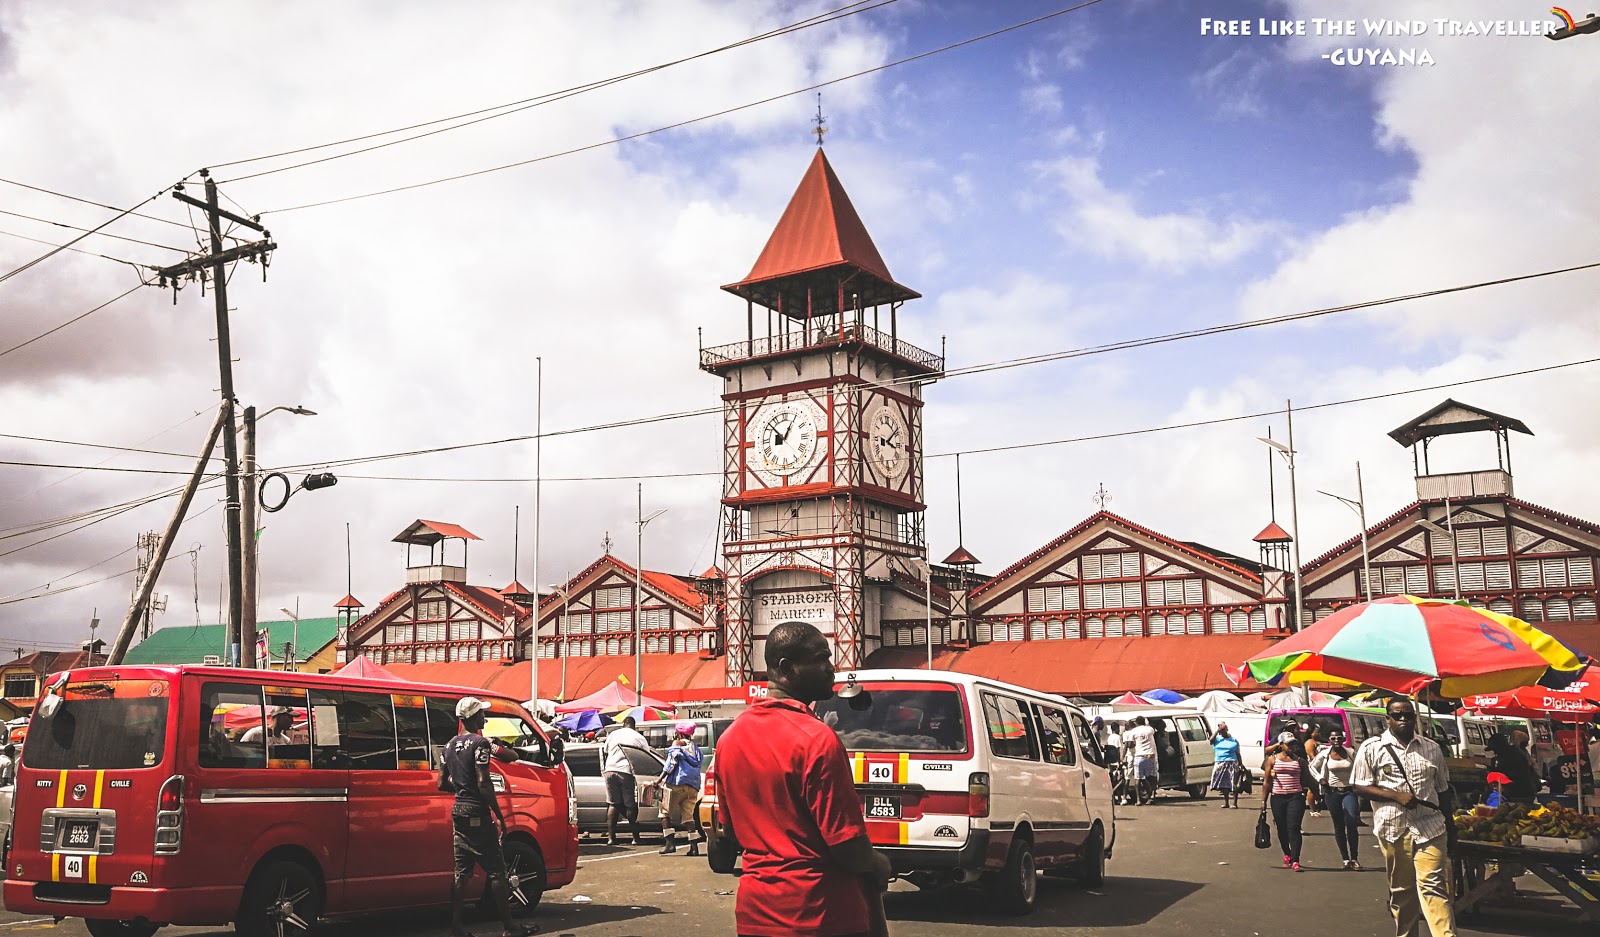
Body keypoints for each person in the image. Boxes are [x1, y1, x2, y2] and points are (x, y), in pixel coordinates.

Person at [716, 621, 892, 937]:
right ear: (787, 668)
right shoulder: (816, 739)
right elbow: (848, 847)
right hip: (820, 915)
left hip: (756, 915)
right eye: (821, 659)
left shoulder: (729, 739)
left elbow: (729, 831)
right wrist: (878, 863)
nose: (831, 668)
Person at [1351, 697, 1458, 937]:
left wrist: (1451, 827)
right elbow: (1359, 786)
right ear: (1387, 719)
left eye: (1408, 715)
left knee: (1434, 886)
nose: (1403, 719)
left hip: (1431, 826)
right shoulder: (1372, 748)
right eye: (1397, 715)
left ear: (1415, 718)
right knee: (1402, 890)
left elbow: (1443, 790)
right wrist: (1395, 796)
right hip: (1393, 828)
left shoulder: (1432, 748)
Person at [437, 697, 533, 937]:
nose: (485, 718)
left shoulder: (448, 746)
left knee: (461, 873)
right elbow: (483, 782)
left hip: (459, 812)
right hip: (477, 812)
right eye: (481, 713)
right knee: (497, 871)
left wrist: (462, 789)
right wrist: (499, 815)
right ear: (472, 717)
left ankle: (456, 927)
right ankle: (509, 927)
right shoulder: (480, 743)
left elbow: (441, 783)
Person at [1262, 730, 1311, 871]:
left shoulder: (1300, 761)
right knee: (1282, 828)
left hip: (1295, 797)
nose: (1292, 747)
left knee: (1294, 827)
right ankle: (1287, 854)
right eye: (1289, 744)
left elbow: (1307, 779)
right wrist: (1263, 801)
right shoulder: (1272, 760)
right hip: (1278, 797)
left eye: (1294, 744)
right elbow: (1267, 782)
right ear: (1281, 745)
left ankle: (1295, 860)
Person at [1314, 731, 1362, 870]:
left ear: (1343, 739)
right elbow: (1312, 766)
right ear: (1329, 740)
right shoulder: (1325, 754)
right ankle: (1345, 859)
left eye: (1339, 738)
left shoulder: (1350, 753)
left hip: (1349, 791)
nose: (1336, 740)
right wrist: (1320, 779)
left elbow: (1361, 766)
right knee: (1339, 824)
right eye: (1333, 738)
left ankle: (1354, 858)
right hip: (1332, 792)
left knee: (1351, 822)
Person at [656, 721, 705, 856]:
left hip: (676, 784)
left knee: (664, 813)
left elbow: (671, 764)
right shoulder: (696, 749)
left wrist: (658, 780)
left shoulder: (677, 744)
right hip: (693, 786)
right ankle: (694, 847)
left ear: (680, 733)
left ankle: (670, 844)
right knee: (688, 817)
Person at [602, 715, 650, 846]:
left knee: (613, 804)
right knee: (630, 805)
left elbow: (606, 751)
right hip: (626, 771)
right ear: (634, 726)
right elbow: (645, 756)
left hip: (609, 770)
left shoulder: (613, 734)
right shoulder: (639, 737)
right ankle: (635, 838)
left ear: (623, 724)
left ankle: (611, 838)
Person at [1484, 734, 1538, 800]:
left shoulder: (1512, 756)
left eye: (1495, 750)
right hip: (1518, 792)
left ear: (1499, 747)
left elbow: (1513, 775)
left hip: (1520, 794)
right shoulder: (1508, 755)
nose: (1495, 753)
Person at [1123, 716, 1159, 804]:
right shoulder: (1150, 729)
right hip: (1150, 756)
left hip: (1139, 756)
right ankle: (1151, 797)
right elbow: (1152, 729)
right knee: (1151, 777)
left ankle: (1138, 800)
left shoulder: (1133, 731)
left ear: (1136, 723)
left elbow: (1129, 744)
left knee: (1138, 779)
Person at [1209, 723, 1244, 808]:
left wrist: (1240, 764)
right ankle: (1226, 802)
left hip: (1231, 763)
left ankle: (1234, 803)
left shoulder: (1233, 740)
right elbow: (1210, 740)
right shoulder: (1217, 739)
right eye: (1221, 731)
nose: (1222, 732)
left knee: (1233, 783)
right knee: (1224, 784)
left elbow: (1238, 753)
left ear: (1227, 730)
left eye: (1223, 730)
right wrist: (1217, 731)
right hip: (1220, 763)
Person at [1303, 724, 1325, 817]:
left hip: (1321, 768)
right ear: (1311, 733)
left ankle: (1318, 803)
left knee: (1318, 788)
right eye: (1316, 732)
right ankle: (1312, 810)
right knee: (1312, 788)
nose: (1319, 734)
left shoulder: (1319, 742)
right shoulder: (1310, 742)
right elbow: (1312, 756)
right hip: (1313, 767)